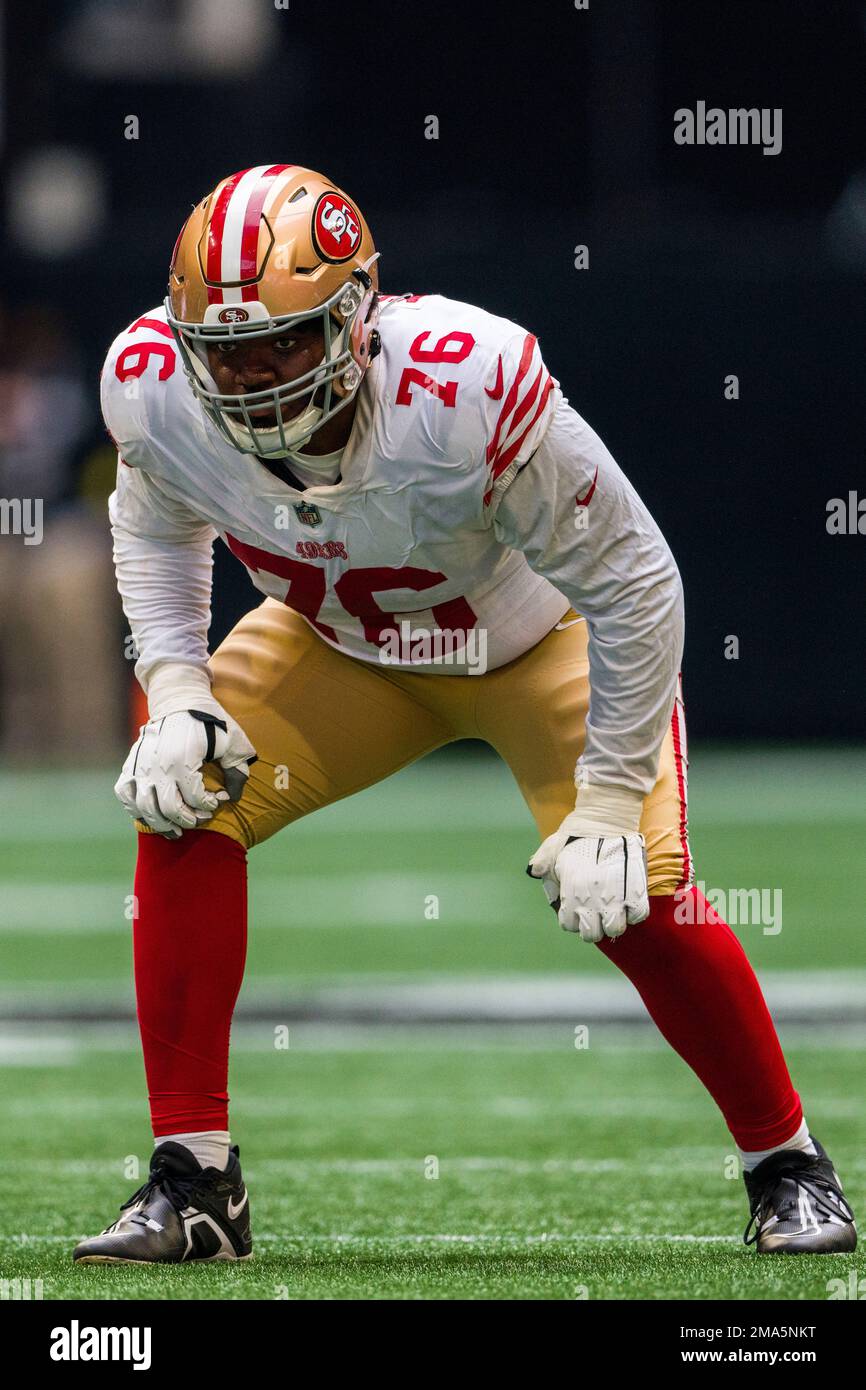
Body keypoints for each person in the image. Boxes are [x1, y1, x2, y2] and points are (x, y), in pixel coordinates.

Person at [73, 165, 854, 1264]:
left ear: (354, 316)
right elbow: (153, 525)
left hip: (537, 644)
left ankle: (788, 1163)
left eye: (283, 343)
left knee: (633, 889)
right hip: (337, 644)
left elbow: (635, 584)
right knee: (183, 799)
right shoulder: (150, 379)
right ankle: (194, 1181)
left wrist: (609, 792)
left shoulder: (465, 383)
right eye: (227, 350)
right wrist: (179, 685)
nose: (250, 374)